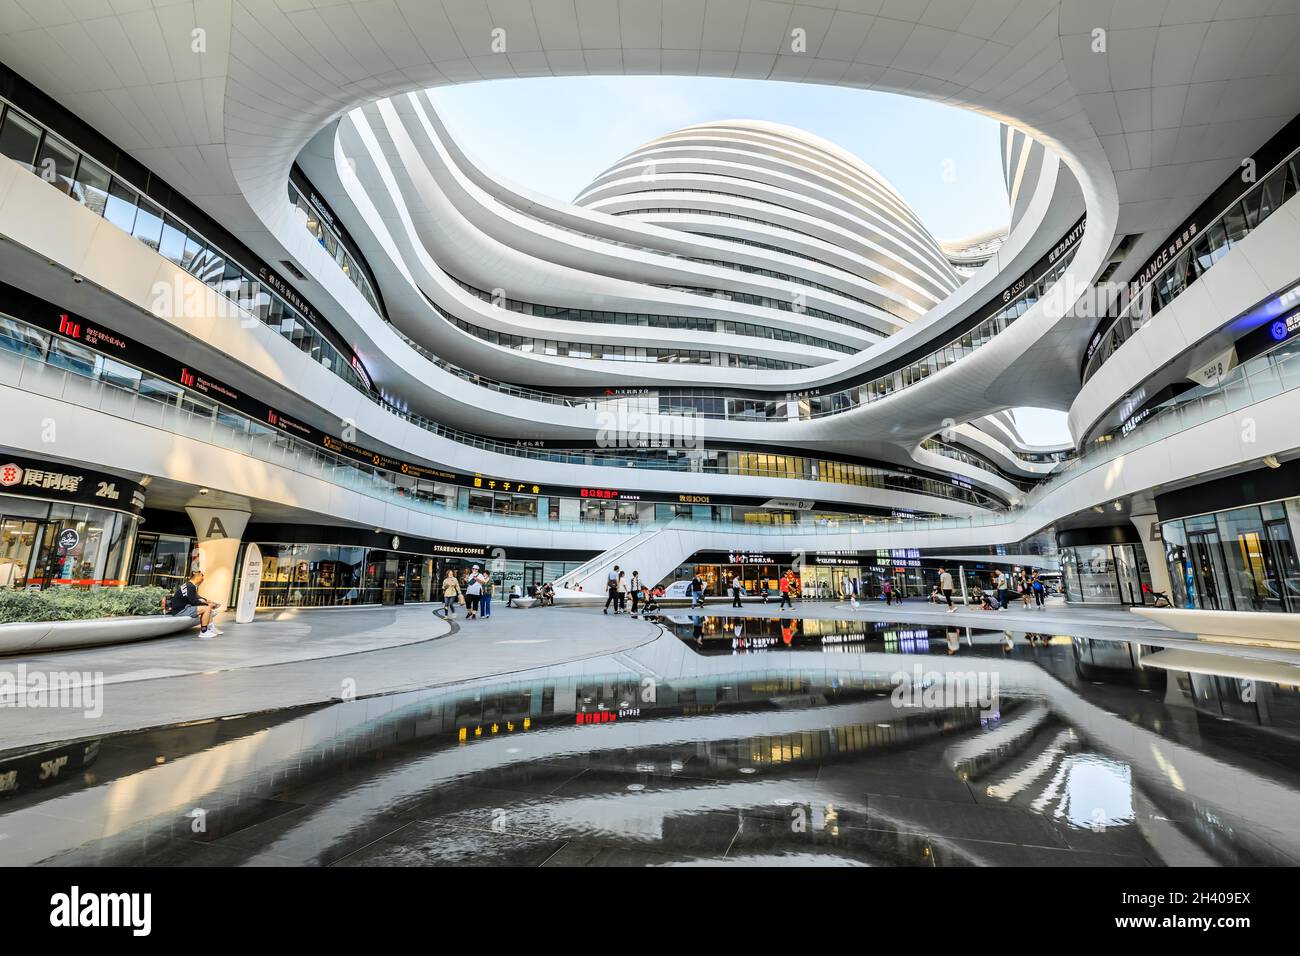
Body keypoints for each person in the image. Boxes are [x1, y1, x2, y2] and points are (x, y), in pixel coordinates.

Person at [169, 570, 221, 638]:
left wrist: (207, 601)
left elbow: (196, 597)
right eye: (202, 576)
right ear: (197, 576)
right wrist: (207, 605)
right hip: (181, 610)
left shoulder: (189, 585)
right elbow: (193, 602)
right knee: (207, 608)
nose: (202, 579)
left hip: (180, 609)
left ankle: (211, 628)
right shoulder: (190, 586)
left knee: (207, 607)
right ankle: (204, 632)